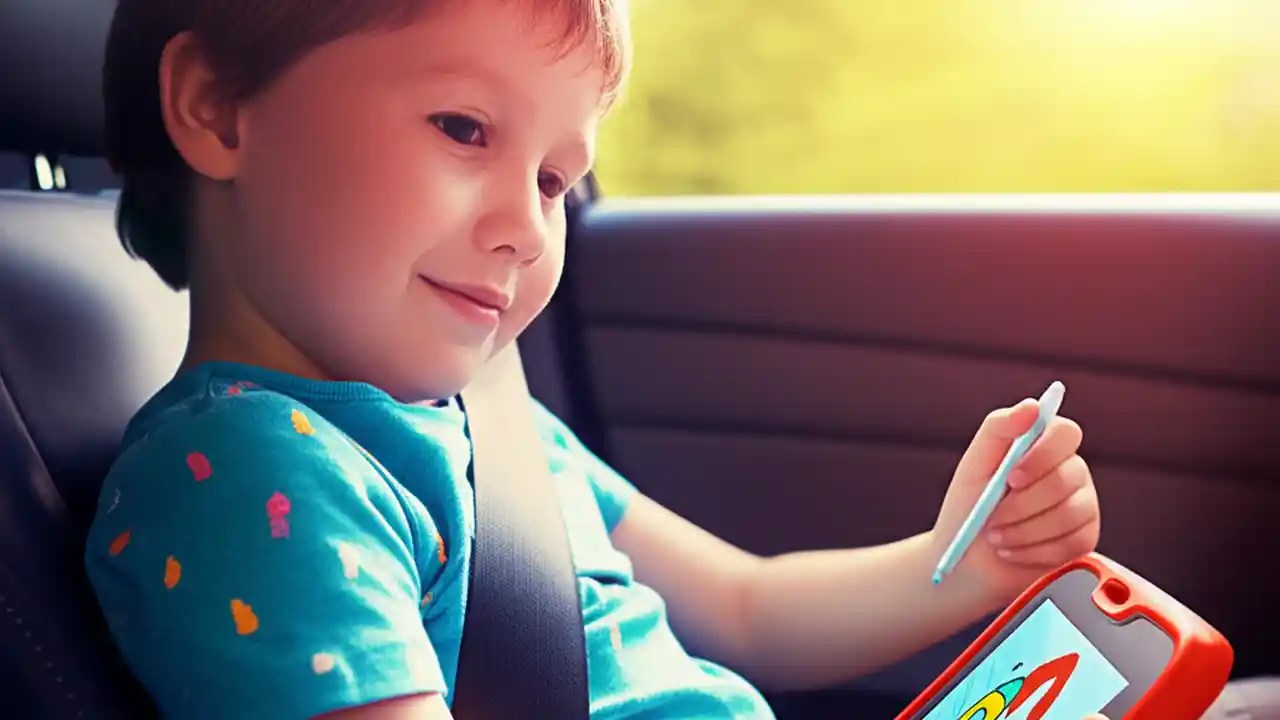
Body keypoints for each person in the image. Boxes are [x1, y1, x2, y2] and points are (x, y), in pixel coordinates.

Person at [83, 1, 1126, 718]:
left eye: (551, 180)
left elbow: (748, 608)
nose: (526, 229)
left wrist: (961, 563)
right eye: (463, 128)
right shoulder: (246, 479)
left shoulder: (490, 426)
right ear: (217, 107)